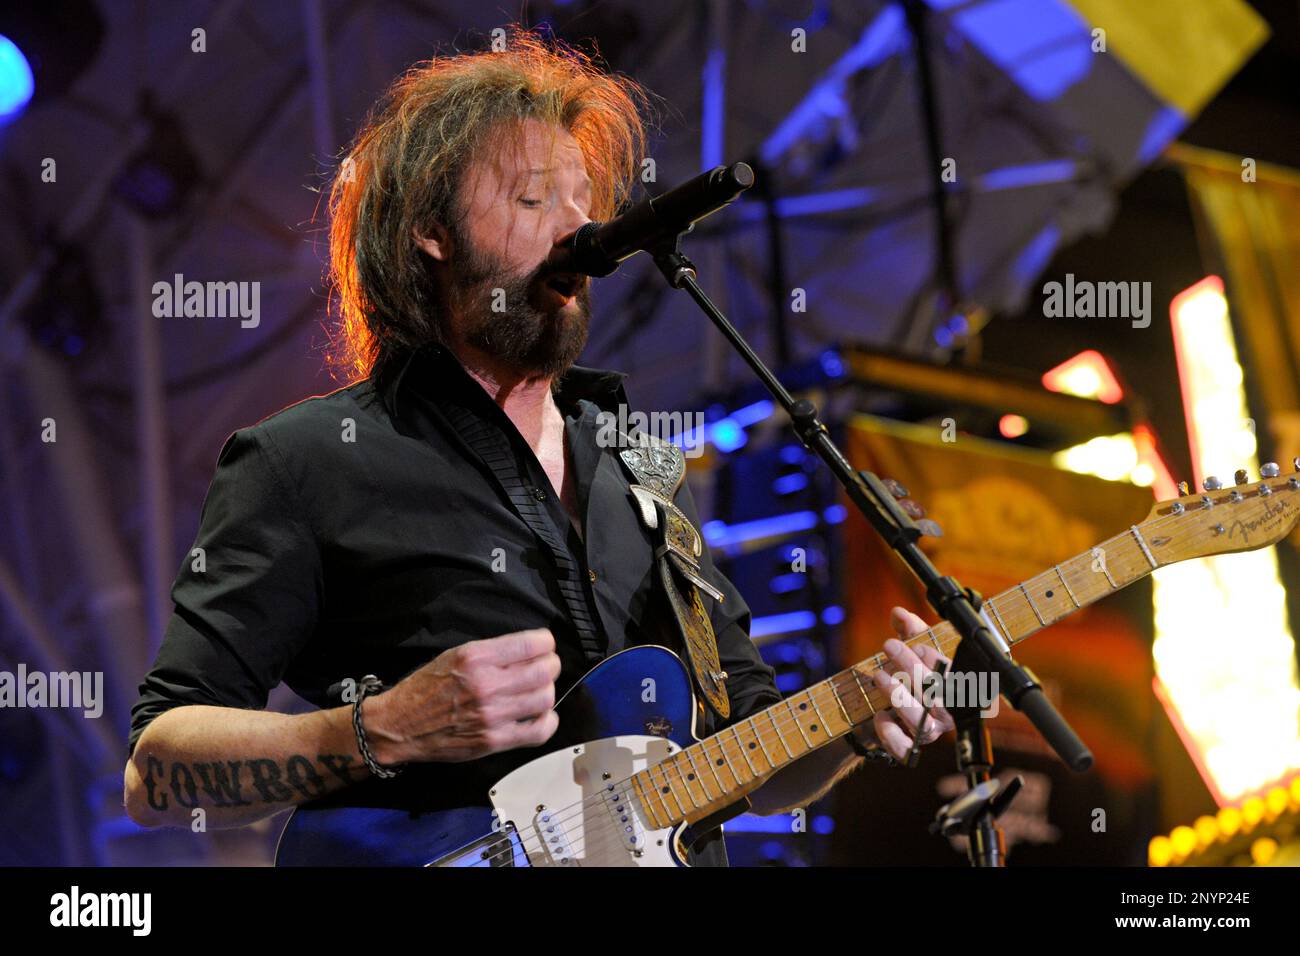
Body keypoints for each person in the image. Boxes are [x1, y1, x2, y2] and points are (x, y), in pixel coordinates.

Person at [122, 29, 954, 866]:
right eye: (531, 200)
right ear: (432, 232)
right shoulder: (304, 460)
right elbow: (155, 772)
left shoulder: (644, 469)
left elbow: (741, 759)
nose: (577, 230)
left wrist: (856, 726)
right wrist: (382, 730)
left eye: (583, 200)